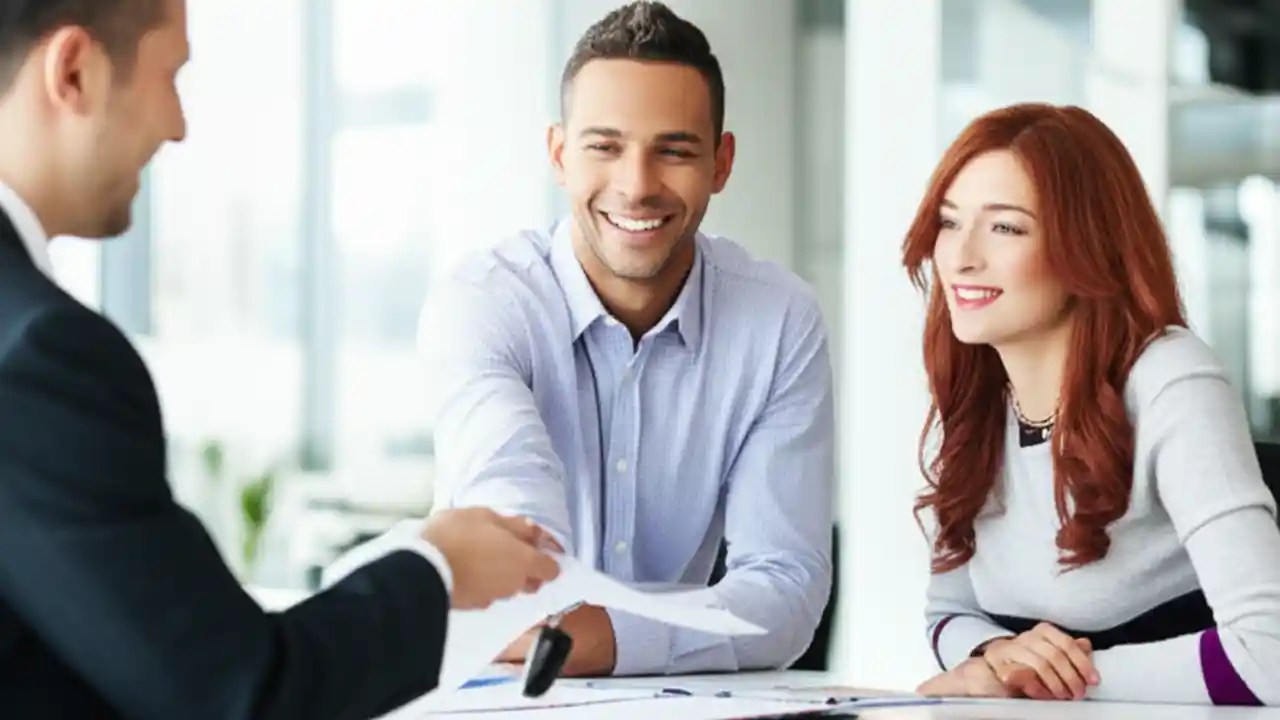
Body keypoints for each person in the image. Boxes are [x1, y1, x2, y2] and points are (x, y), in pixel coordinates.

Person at [0, 1, 559, 717]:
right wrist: (440, 572)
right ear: (73, 72)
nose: (178, 124)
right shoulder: (39, 357)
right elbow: (241, 694)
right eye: (170, 75)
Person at [416, 1, 833, 677]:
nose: (636, 187)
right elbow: (513, 507)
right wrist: (598, 621)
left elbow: (785, 587)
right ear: (559, 154)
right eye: (604, 147)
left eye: (674, 150)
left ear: (721, 163)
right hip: (493, 693)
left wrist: (600, 639)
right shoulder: (484, 301)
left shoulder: (779, 321)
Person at [904, 103, 1280, 705]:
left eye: (1006, 227)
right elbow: (948, 611)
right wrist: (993, 654)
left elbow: (1270, 651)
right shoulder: (974, 385)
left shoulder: (1170, 379)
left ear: (1087, 247)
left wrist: (1043, 685)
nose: (961, 257)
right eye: (950, 223)